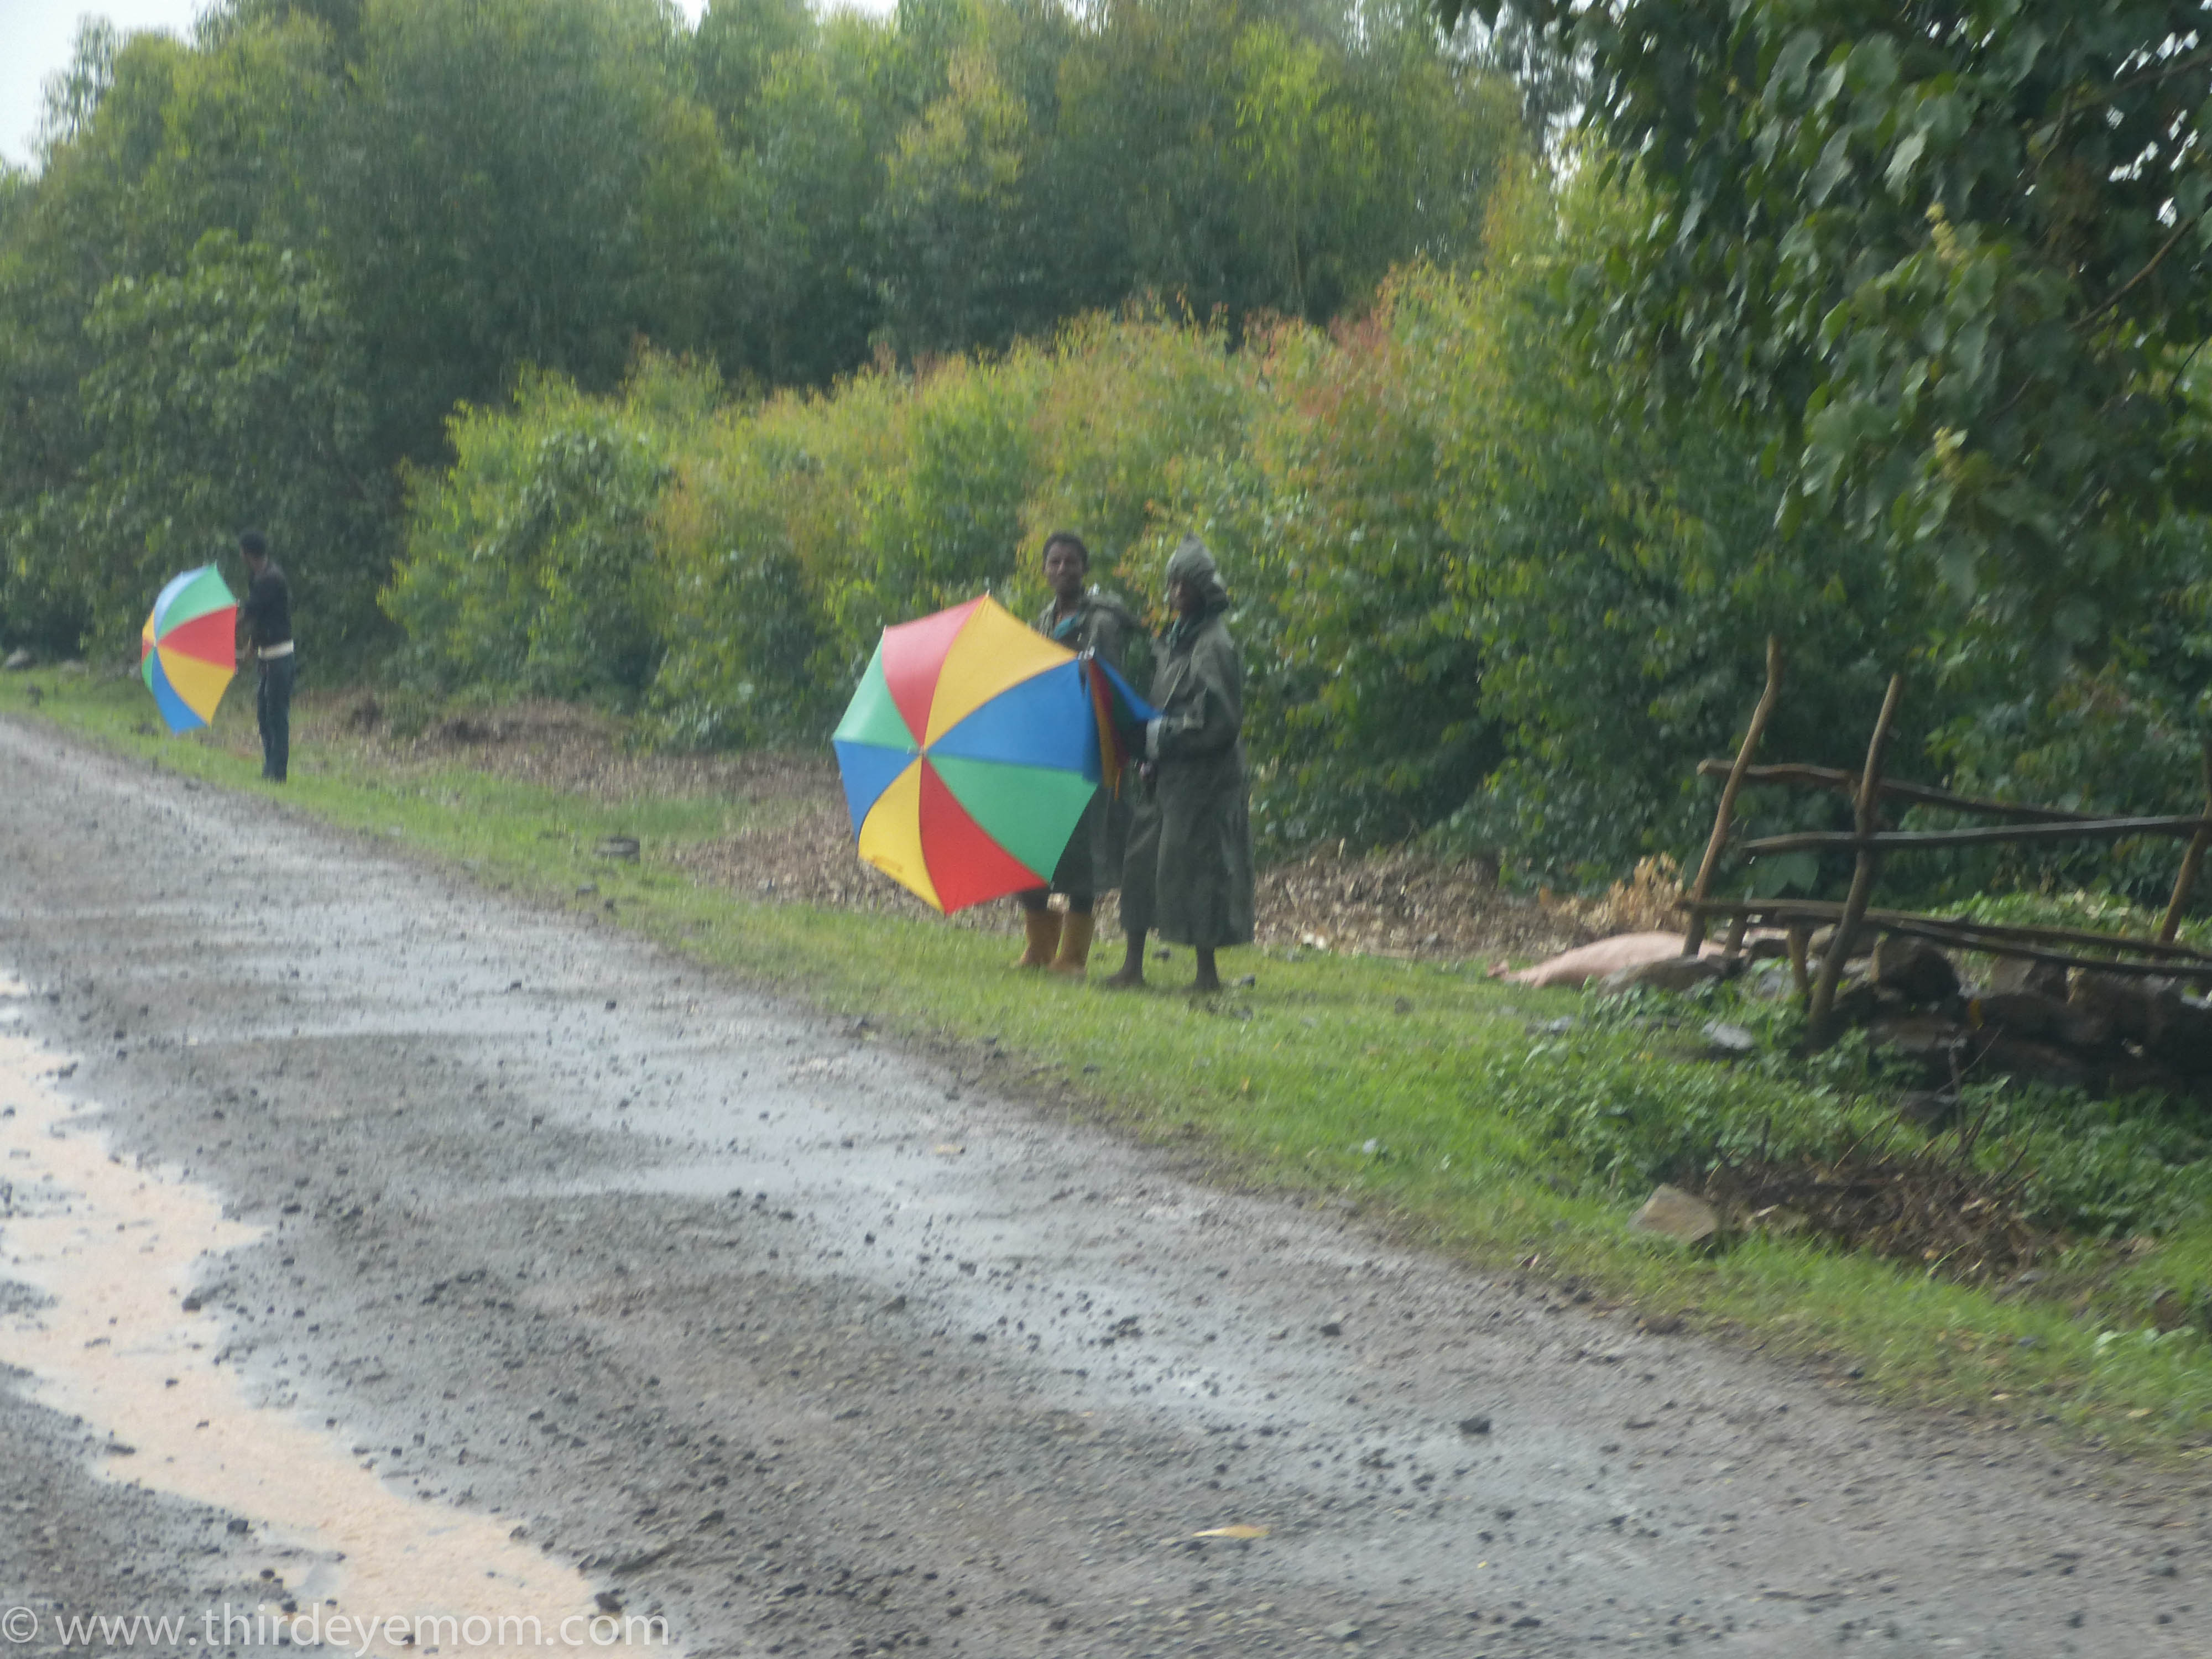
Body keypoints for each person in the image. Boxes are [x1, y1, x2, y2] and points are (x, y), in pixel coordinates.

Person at [1106, 535, 1253, 993]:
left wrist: (1160, 738)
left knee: (1199, 871)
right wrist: (1147, 747)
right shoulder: (1175, 641)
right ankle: (1133, 965)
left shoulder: (1214, 645)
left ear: (1204, 588)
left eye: (1184, 584)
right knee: (1140, 863)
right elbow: (1160, 703)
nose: (1175, 593)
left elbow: (1220, 722)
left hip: (1206, 782)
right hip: (1164, 774)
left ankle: (1206, 974)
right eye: (1171, 584)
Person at [1014, 531, 1144, 976]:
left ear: (1084, 570)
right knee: (1028, 848)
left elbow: (1110, 690)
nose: (1063, 569)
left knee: (1083, 854)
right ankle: (1038, 946)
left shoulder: (1102, 623)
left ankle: (1072, 957)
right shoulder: (1041, 621)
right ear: (1045, 569)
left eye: (1071, 562)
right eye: (1055, 562)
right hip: (1046, 751)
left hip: (1089, 752)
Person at [236, 531, 294, 782]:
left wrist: (224, 629)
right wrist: (250, 649)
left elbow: (249, 615)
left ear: (246, 554)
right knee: (264, 711)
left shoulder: (271, 580)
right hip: (267, 655)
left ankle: (278, 771)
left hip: (280, 656)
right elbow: (260, 620)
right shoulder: (259, 576)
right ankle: (270, 766)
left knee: (276, 713)